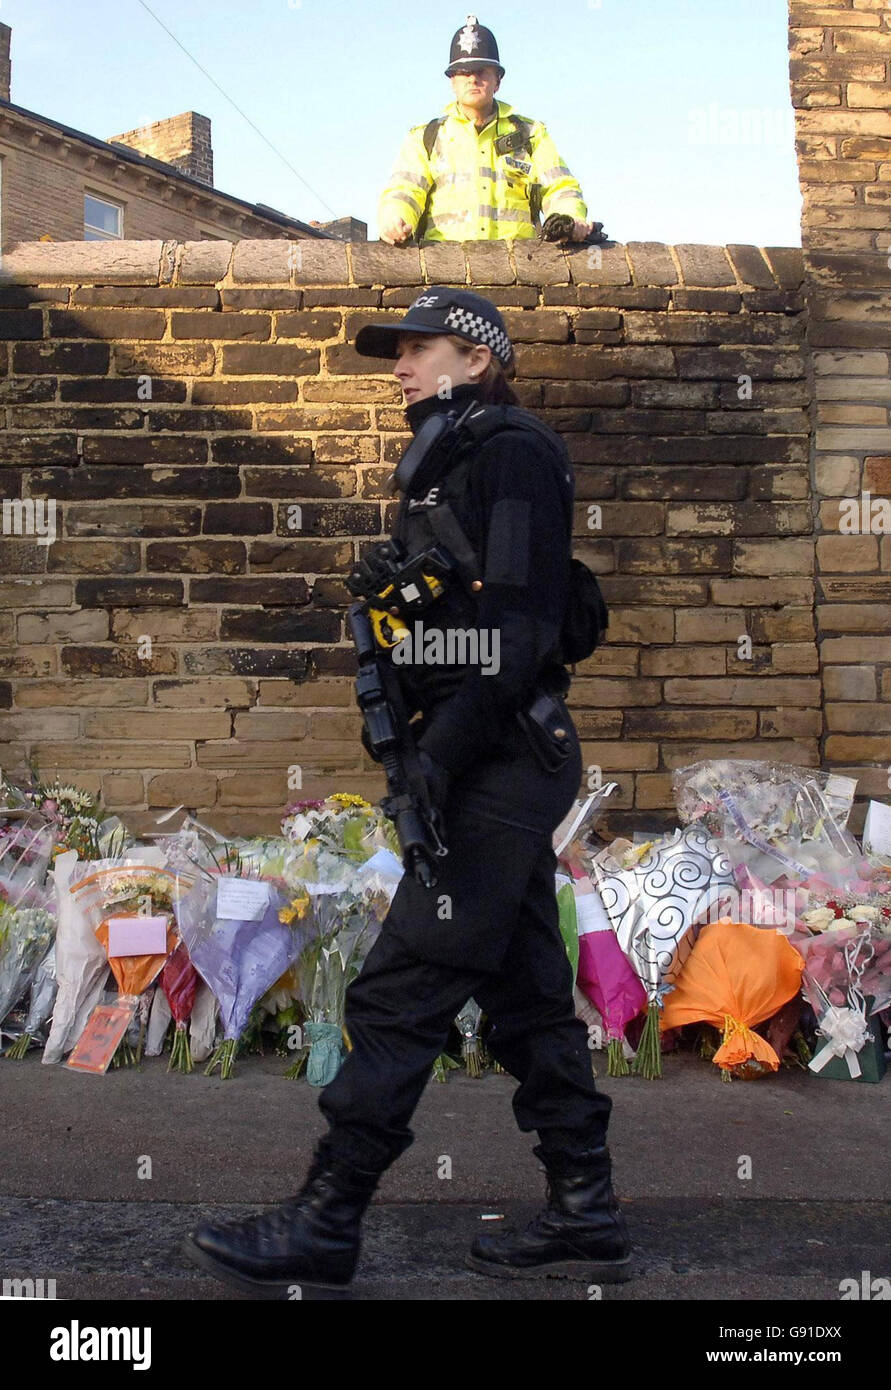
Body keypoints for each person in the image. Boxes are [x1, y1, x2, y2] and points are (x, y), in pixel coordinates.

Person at [183, 289, 630, 1296]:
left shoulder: (513, 451)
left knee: (401, 984)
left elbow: (517, 635)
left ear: (476, 358)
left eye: (418, 348)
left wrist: (442, 752)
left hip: (501, 759)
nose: (399, 367)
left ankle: (325, 1219)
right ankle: (586, 1209)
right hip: (482, 756)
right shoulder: (448, 464)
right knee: (521, 993)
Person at [379, 15, 598, 245]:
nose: (472, 78)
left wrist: (569, 217)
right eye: (463, 72)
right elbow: (404, 190)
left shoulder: (531, 134)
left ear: (498, 80)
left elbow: (559, 186)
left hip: (521, 269)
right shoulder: (425, 138)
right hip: (442, 271)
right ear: (452, 82)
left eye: (481, 71)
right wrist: (394, 218)